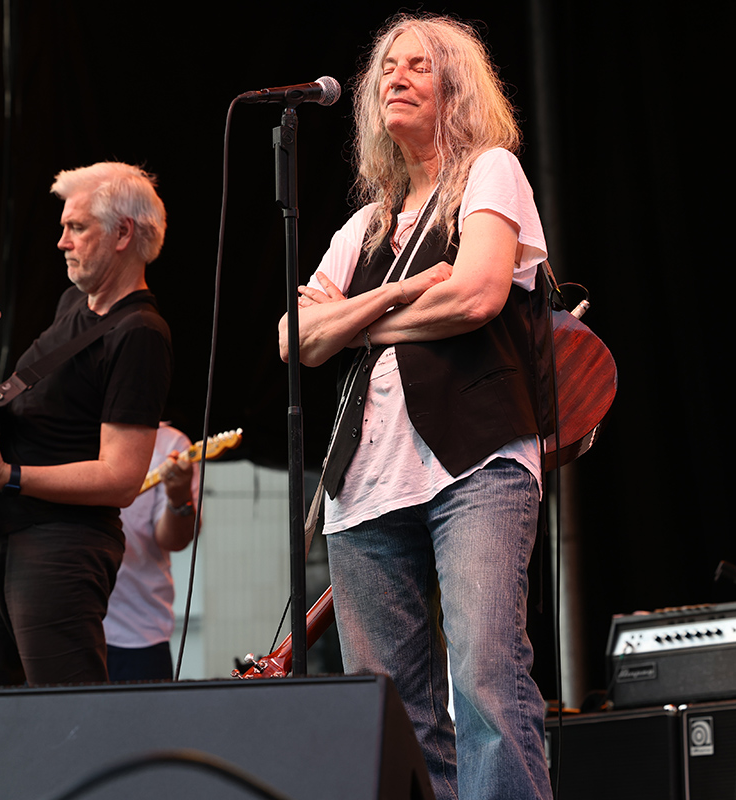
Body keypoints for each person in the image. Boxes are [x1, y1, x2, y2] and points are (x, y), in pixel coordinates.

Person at [279, 14, 553, 800]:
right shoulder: (367, 224)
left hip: (474, 465)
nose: (394, 77)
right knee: (390, 711)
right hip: (363, 486)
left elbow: (475, 294)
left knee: (486, 683)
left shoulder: (490, 173)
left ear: (456, 89)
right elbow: (294, 338)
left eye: (418, 67)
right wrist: (399, 291)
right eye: (387, 69)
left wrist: (354, 320)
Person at [0, 162, 173, 787]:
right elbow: (26, 419)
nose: (61, 241)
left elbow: (121, 478)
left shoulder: (141, 332)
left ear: (122, 234)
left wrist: (6, 475)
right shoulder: (71, 307)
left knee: (73, 731)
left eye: (76, 227)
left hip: (61, 548)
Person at [103, 422, 199, 681]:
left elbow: (174, 540)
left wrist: (179, 496)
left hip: (137, 632)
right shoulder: (62, 426)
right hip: (59, 622)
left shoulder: (170, 443)